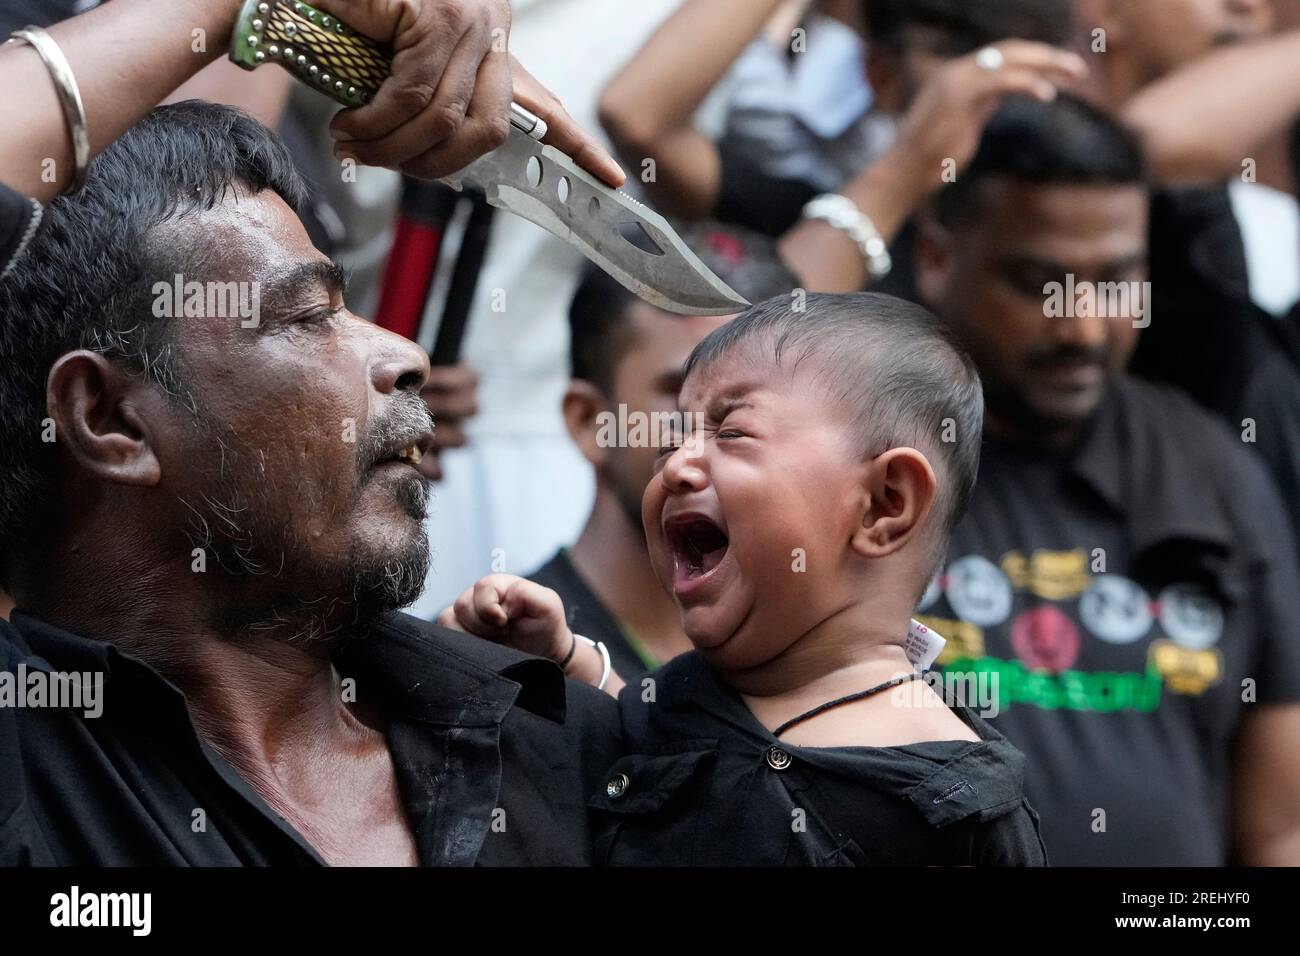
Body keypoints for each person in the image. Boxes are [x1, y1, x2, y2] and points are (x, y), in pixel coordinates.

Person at [0, 102, 621, 865]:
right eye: (307, 315)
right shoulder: (28, 775)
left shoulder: (544, 725)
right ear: (109, 419)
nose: (404, 354)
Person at [441, 293, 1049, 866]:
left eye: (731, 433)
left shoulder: (952, 807)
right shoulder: (684, 699)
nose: (675, 464)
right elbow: (650, 750)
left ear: (884, 505)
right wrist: (564, 662)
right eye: (678, 435)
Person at [910, 93, 1300, 865]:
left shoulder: (1216, 472)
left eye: (1116, 282)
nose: (1083, 327)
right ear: (938, 258)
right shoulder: (872, 459)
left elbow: (1281, 828)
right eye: (1037, 284)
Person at [527, 225, 799, 677]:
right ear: (591, 421)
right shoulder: (502, 654)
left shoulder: (812, 666)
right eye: (687, 395)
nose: (736, 432)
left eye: (761, 403)